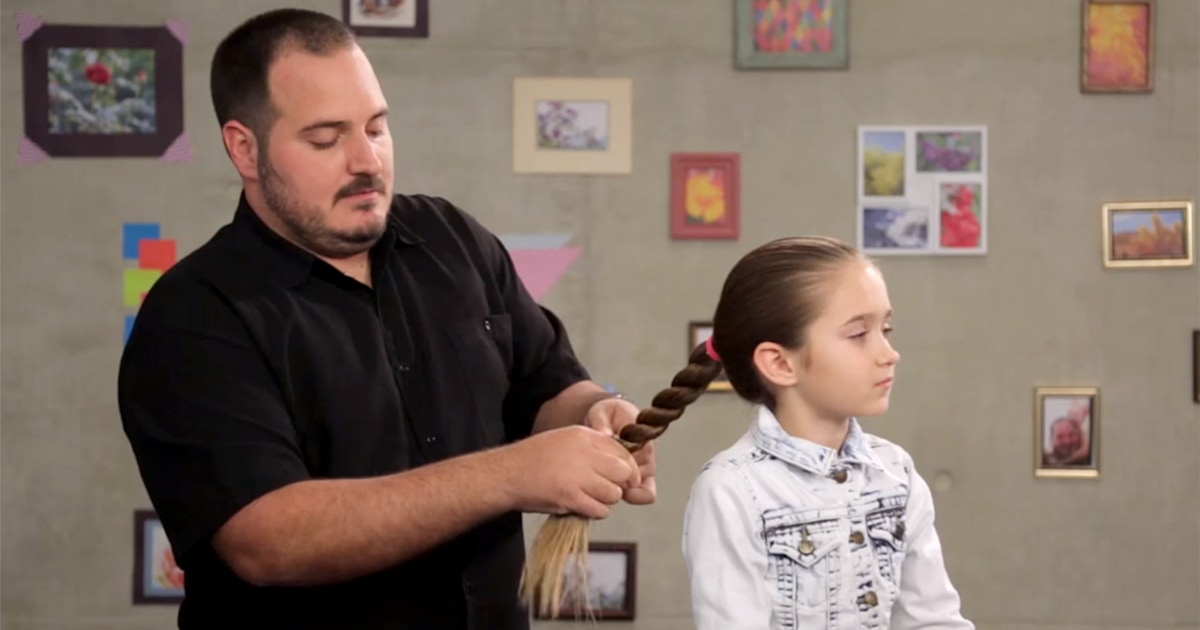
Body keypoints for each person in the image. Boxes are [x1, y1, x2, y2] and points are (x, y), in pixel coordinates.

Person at [116, 8, 656, 630]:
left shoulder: (452, 240)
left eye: (376, 128)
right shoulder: (195, 316)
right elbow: (269, 540)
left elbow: (547, 387)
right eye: (326, 139)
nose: (366, 161)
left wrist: (595, 417)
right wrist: (512, 475)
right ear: (244, 147)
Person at [660, 236, 973, 628]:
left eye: (886, 329)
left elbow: (934, 620)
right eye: (859, 335)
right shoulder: (731, 489)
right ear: (779, 363)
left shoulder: (897, 473)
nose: (888, 353)